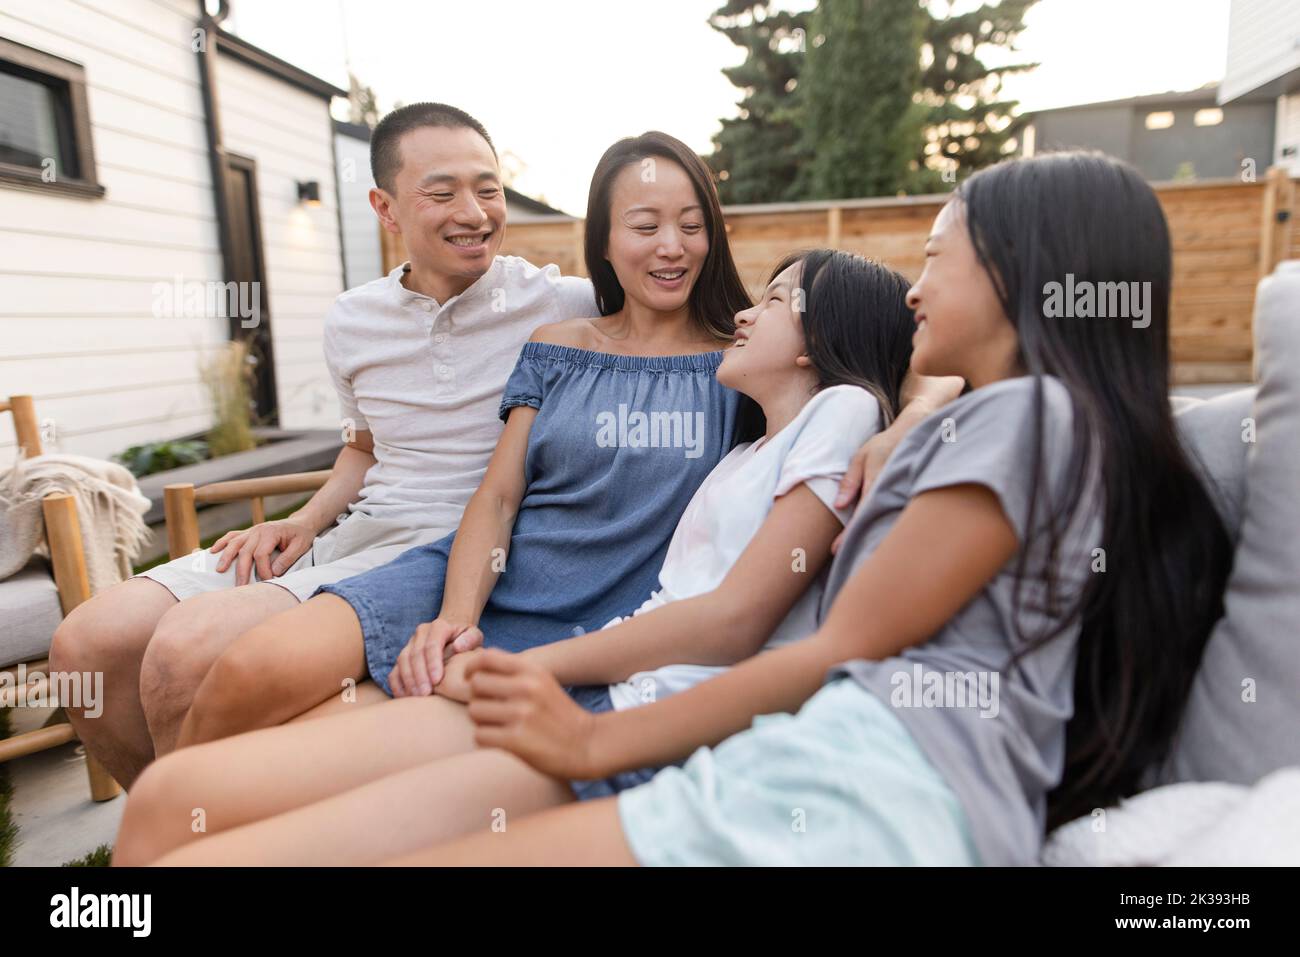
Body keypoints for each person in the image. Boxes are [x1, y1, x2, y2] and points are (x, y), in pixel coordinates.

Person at [381, 150, 1234, 867]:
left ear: (1020, 271)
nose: (913, 287)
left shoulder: (1026, 419)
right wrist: (923, 413)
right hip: (849, 768)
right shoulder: (1031, 421)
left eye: (936, 258)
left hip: (869, 785)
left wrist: (589, 740)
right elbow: (907, 377)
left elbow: (832, 645)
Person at [113, 247, 919, 865]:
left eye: (776, 300)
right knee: (172, 795)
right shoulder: (746, 449)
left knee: (186, 817)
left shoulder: (843, 410)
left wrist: (533, 669)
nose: (746, 312)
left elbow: (734, 619)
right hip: (595, 680)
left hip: (633, 715)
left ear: (822, 338)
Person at [48, 102, 597, 787]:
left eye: (487, 188)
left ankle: (193, 834)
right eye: (442, 191)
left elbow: (682, 302)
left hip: (445, 549)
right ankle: (169, 823)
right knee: (86, 643)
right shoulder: (353, 318)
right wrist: (304, 520)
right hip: (357, 527)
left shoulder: (563, 301)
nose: (475, 210)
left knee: (181, 652)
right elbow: (363, 451)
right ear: (386, 208)